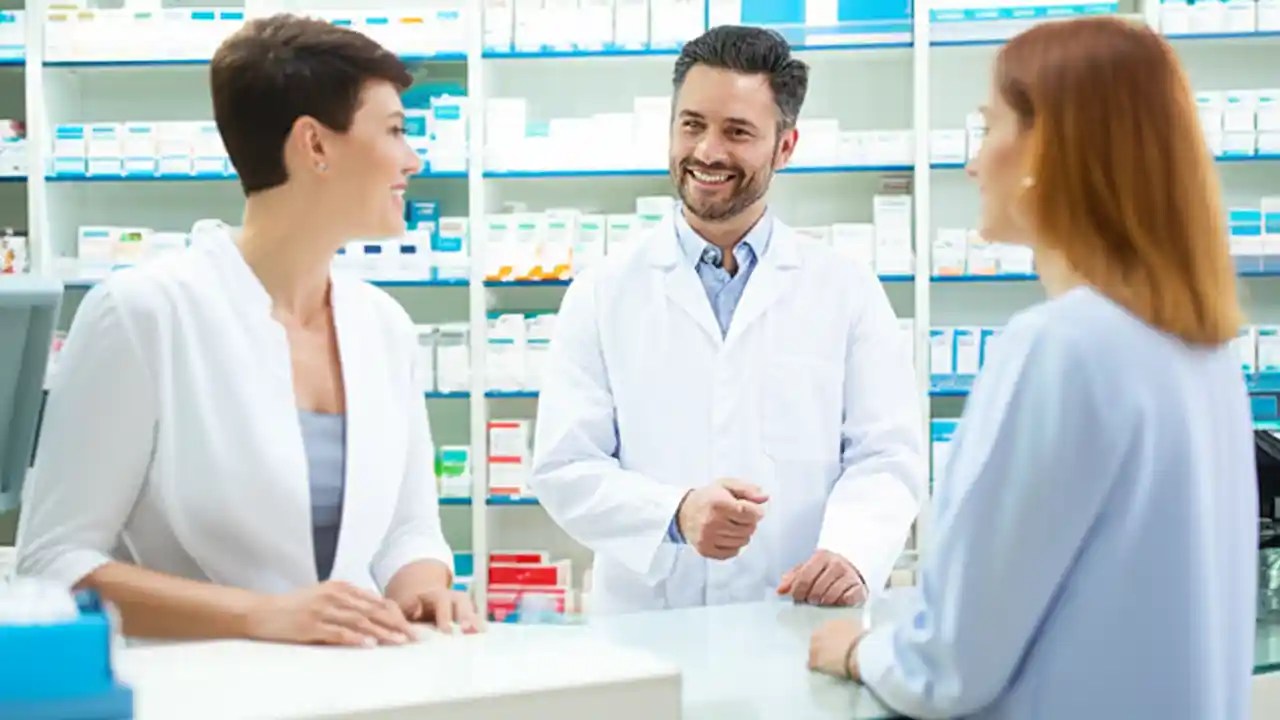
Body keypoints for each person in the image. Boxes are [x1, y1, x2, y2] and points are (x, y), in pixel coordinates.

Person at [807, 16, 1258, 719]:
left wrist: (859, 649)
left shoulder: (1062, 348)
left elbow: (951, 665)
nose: (972, 162)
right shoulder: (1206, 349)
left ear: (1051, 146)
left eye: (988, 128)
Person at [15, 14, 481, 646]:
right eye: (395, 131)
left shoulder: (384, 326)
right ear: (314, 144)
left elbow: (409, 530)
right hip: (197, 694)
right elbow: (54, 563)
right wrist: (260, 615)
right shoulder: (145, 313)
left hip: (360, 688)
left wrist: (422, 585)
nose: (414, 158)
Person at [529, 25, 926, 616]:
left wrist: (850, 552)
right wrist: (675, 512)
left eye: (737, 131)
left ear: (785, 147)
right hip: (649, 625)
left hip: (796, 614)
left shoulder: (845, 289)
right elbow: (564, 466)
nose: (708, 152)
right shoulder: (603, 289)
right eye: (692, 124)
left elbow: (887, 456)